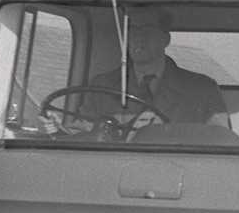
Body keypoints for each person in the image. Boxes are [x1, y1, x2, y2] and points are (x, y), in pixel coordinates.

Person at [84, 7, 229, 128]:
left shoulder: (202, 89)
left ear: (165, 39)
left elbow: (221, 141)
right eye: (132, 30)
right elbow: (80, 132)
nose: (138, 37)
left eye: (147, 29)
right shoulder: (102, 87)